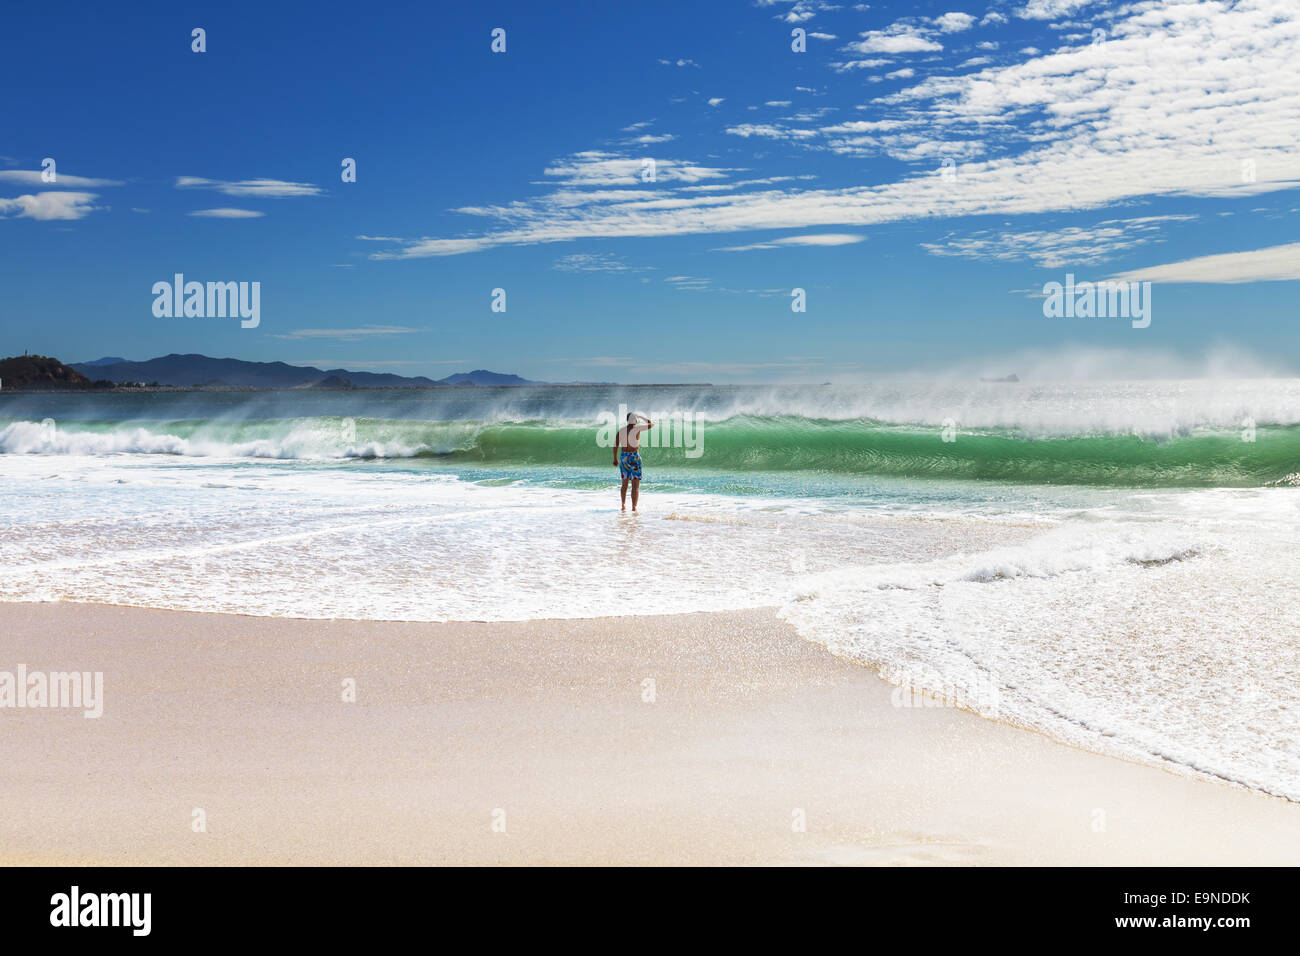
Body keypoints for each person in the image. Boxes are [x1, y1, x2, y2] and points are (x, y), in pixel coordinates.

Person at [614, 412, 653, 512]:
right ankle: (634, 507)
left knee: (625, 483)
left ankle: (623, 505)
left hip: (624, 457)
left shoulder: (621, 430)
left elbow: (615, 445)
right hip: (634, 457)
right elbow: (651, 424)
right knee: (635, 485)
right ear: (635, 420)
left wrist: (615, 458)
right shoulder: (637, 428)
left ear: (627, 420)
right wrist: (641, 417)